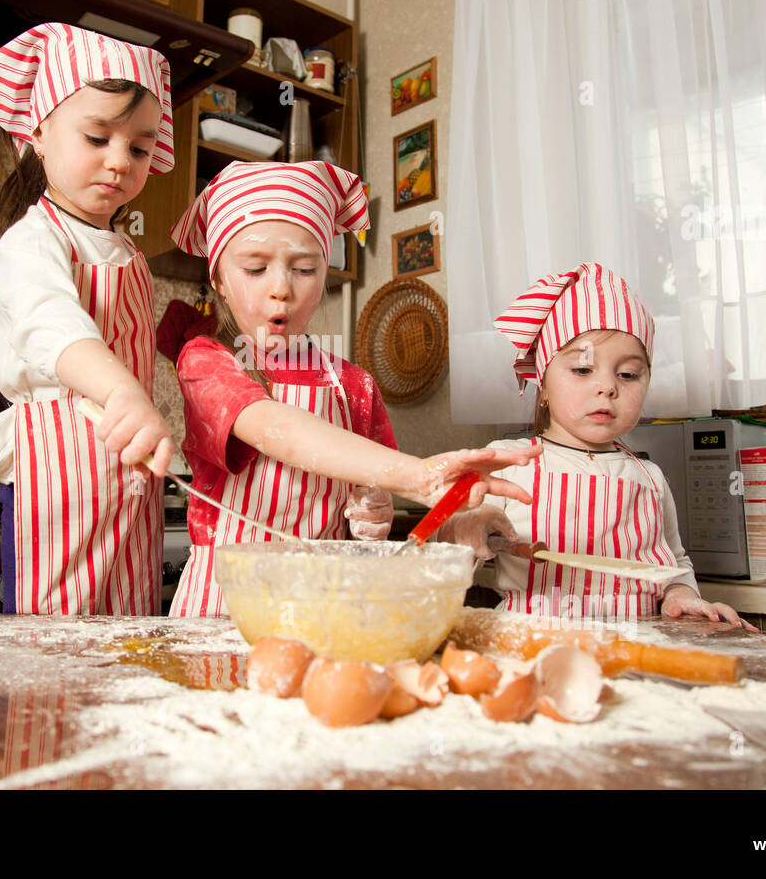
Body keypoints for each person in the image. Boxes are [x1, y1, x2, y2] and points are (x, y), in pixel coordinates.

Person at [167, 160, 541, 616]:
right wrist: (419, 475)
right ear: (220, 280)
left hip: (328, 602)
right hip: (226, 602)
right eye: (255, 268)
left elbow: (373, 504)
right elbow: (273, 425)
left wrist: (375, 515)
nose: (281, 288)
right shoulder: (207, 362)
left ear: (325, 274)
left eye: (304, 269)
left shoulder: (354, 386)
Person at [0, 23, 175, 615]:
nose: (118, 162)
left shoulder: (129, 252)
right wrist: (122, 391)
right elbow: (50, 321)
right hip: (58, 479)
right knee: (53, 649)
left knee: (126, 632)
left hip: (128, 481)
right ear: (38, 132)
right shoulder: (31, 240)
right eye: (97, 137)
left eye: (138, 148)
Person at [471, 262, 756, 628]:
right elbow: (454, 558)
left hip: (635, 651)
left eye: (627, 374)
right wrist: (465, 530)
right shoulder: (510, 465)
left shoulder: (649, 478)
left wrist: (681, 595)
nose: (608, 386)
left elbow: (675, 566)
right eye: (582, 370)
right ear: (542, 384)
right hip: (531, 652)